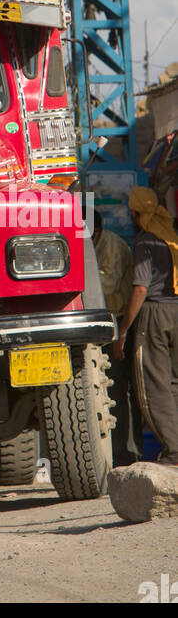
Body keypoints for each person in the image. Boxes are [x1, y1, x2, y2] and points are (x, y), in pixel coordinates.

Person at [116, 186, 178, 467]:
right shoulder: (172, 235)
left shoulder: (145, 241)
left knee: (151, 388)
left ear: (136, 212)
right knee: (173, 385)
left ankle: (174, 451)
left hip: (153, 315)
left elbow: (140, 289)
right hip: (176, 310)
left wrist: (125, 328)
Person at [92, 209, 141, 465]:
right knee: (111, 392)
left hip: (120, 323)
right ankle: (117, 451)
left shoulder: (110, 246)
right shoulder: (92, 243)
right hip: (106, 323)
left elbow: (106, 287)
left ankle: (127, 453)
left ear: (96, 231)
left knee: (120, 391)